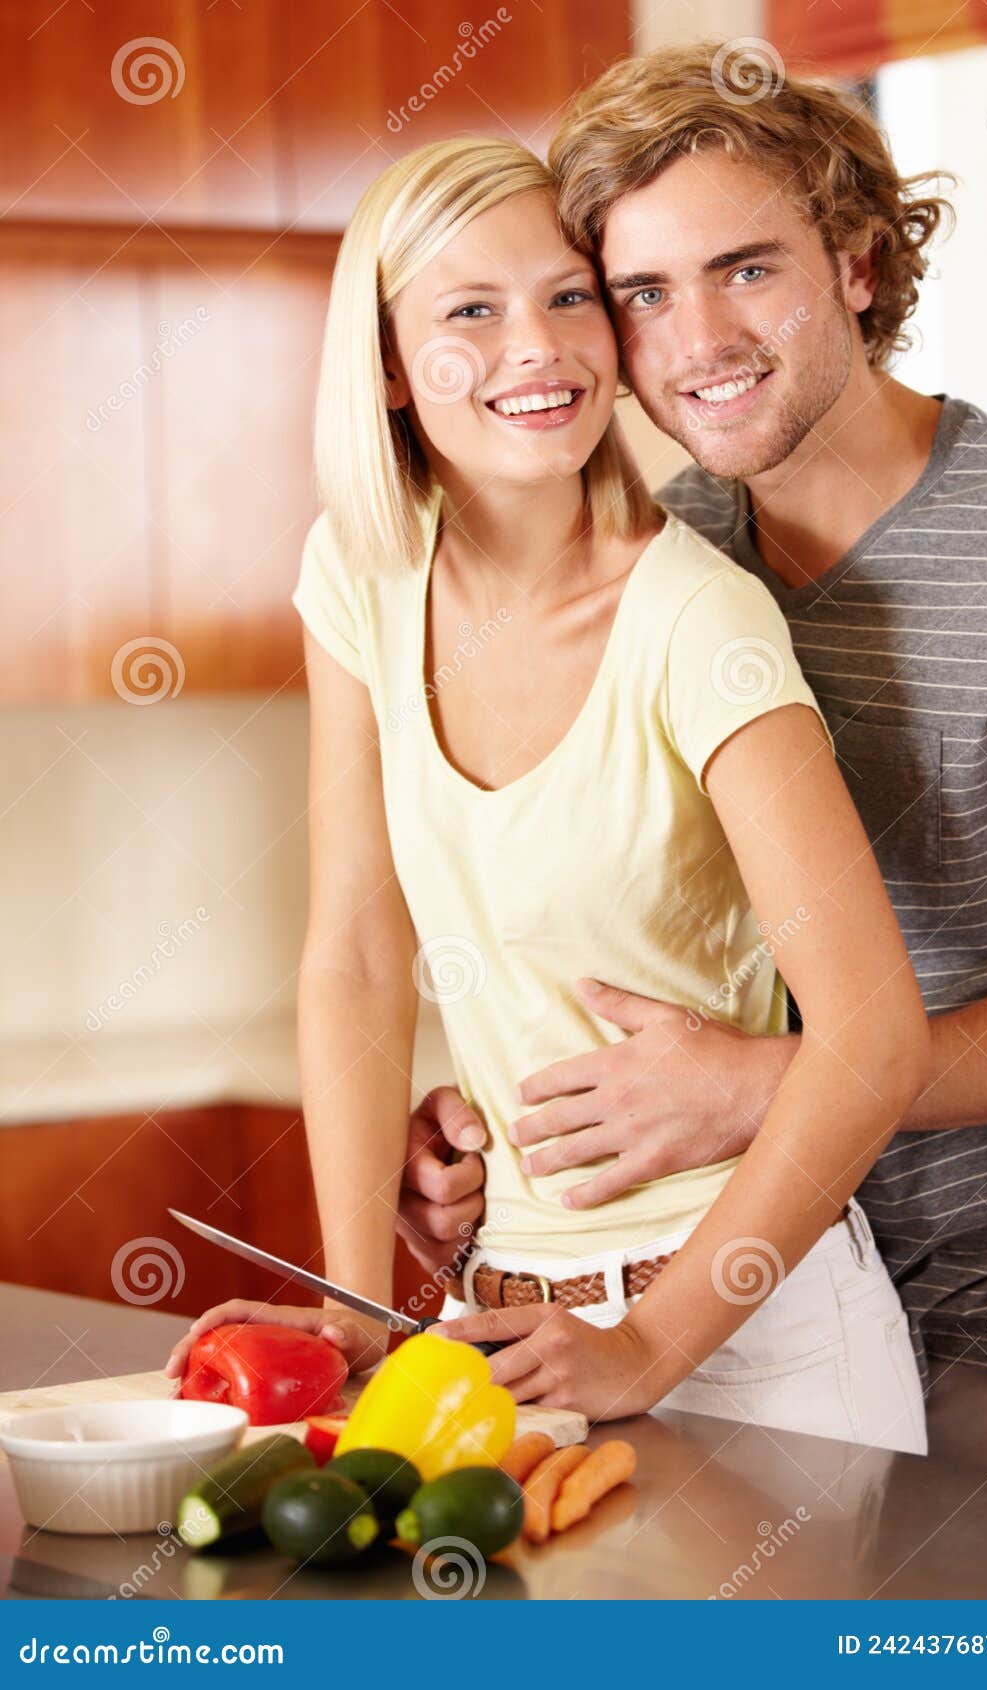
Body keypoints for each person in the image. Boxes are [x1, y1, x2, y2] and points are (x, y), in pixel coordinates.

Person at [398, 45, 987, 1504]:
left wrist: (766, 1086)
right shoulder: (665, 565)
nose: (694, 337)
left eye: (745, 268)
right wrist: (497, 1123)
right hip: (769, 1313)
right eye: (638, 293)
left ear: (859, 263)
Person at [163, 135, 931, 1452]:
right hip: (507, 1329)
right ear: (393, 370)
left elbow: (872, 1033)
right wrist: (355, 1299)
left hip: (756, 1335)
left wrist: (649, 1342)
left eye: (568, 295)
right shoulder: (360, 574)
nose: (541, 345)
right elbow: (356, 948)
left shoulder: (698, 618)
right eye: (473, 310)